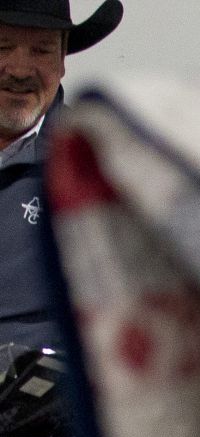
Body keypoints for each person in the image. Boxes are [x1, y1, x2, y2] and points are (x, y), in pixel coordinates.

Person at [0, 0, 120, 360]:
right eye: (3, 47)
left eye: (41, 50)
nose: (20, 70)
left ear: (63, 59)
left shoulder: (92, 168)